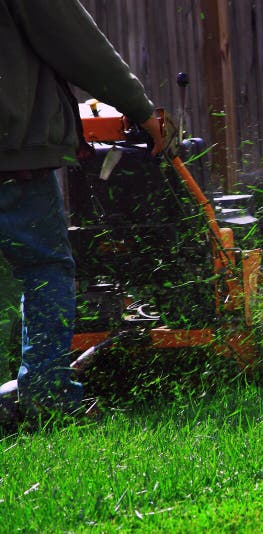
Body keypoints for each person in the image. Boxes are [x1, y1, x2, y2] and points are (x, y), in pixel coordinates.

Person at [0, 0, 164, 420]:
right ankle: (48, 396)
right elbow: (77, 42)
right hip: (11, 153)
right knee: (45, 267)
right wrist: (141, 110)